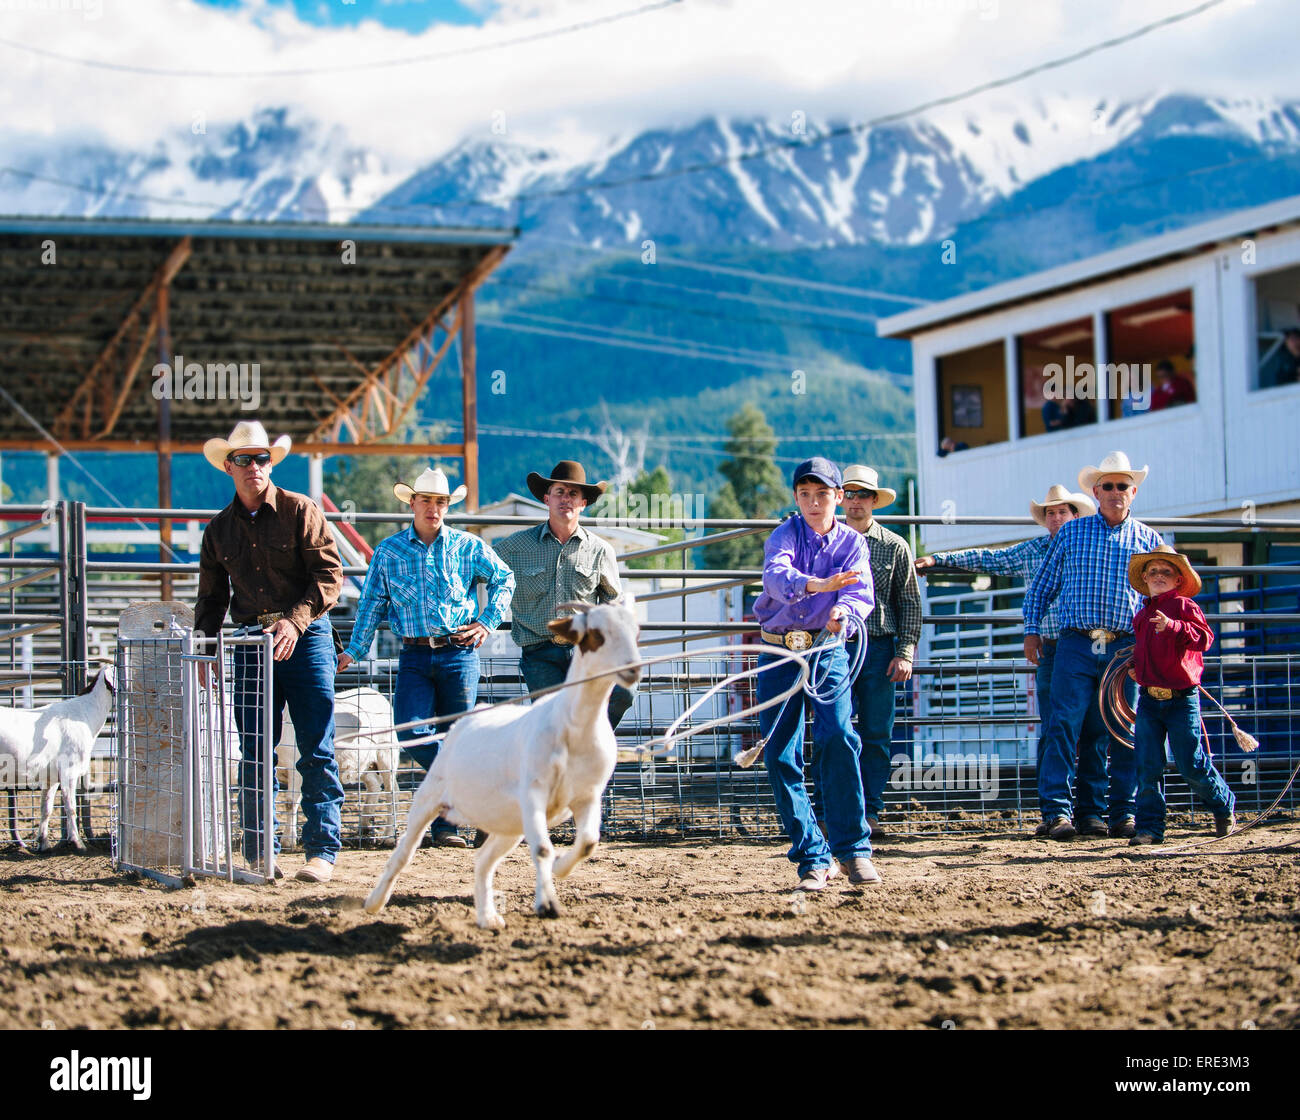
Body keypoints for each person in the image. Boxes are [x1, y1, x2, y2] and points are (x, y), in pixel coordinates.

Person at [194, 421, 345, 883]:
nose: (254, 467)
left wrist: (294, 621)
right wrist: (205, 648)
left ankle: (321, 851)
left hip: (307, 637)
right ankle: (261, 851)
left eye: (261, 458)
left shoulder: (301, 509)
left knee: (315, 745)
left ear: (270, 463)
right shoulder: (218, 531)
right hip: (251, 643)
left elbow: (329, 576)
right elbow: (211, 599)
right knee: (255, 750)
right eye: (244, 459)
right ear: (229, 466)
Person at [339, 467, 514, 848]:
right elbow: (371, 603)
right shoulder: (389, 551)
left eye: (441, 502)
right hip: (415, 654)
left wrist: (486, 622)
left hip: (459, 651)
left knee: (456, 736)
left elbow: (505, 579)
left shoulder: (467, 546)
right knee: (410, 731)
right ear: (412, 504)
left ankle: (447, 828)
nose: (433, 508)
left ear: (447, 506)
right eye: (427, 501)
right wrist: (354, 649)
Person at [916, 483, 1098, 836]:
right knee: (1057, 726)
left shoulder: (1086, 546)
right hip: (1054, 646)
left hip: (1083, 643)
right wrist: (940, 559)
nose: (1056, 518)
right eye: (1051, 513)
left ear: (1075, 516)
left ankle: (1086, 810)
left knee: (1090, 728)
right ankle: (1057, 811)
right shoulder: (1034, 550)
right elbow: (989, 558)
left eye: (1062, 511)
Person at [1023, 451, 1164, 842]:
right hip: (1077, 641)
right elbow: (1041, 588)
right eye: (1109, 486)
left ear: (1133, 493)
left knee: (1119, 729)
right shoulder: (1072, 534)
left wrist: (1155, 644)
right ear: (1096, 492)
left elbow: (1161, 599)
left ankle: (1117, 813)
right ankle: (1058, 812)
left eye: (1123, 486)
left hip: (1124, 646)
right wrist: (1032, 630)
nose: (1116, 492)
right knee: (1064, 724)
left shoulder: (1149, 540)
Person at [753, 457, 878, 891]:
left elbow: (860, 593)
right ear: (796, 497)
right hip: (778, 650)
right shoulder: (784, 534)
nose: (813, 502)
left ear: (838, 497)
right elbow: (776, 576)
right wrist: (818, 585)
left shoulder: (853, 544)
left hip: (826, 649)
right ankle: (812, 856)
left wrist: (843, 611)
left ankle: (853, 849)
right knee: (779, 752)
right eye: (805, 494)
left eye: (822, 494)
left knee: (839, 736)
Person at [494, 460, 633, 727]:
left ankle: (589, 737)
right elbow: (480, 569)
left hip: (587, 649)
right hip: (539, 652)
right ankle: (576, 742)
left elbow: (612, 604)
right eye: (559, 492)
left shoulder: (600, 550)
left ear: (583, 503)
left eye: (573, 494)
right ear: (547, 499)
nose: (566, 499)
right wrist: (479, 618)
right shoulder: (514, 547)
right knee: (554, 721)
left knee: (623, 693)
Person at [1126, 546, 1233, 845]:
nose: (1159, 576)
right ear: (1145, 578)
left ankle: (1222, 803)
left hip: (1181, 699)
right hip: (1149, 699)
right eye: (1153, 572)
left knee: (1190, 763)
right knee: (1147, 765)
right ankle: (1149, 828)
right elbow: (1145, 651)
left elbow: (1205, 639)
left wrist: (1173, 626)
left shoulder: (1185, 606)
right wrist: (1136, 668)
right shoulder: (1142, 615)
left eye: (1166, 572)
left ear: (1177, 580)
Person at [839, 465, 920, 835]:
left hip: (879, 648)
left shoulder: (894, 545)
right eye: (850, 494)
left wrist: (905, 651)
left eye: (862, 495)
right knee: (833, 730)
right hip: (836, 645)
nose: (856, 501)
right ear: (842, 499)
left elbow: (909, 602)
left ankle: (869, 809)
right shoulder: (827, 541)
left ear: (874, 500)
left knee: (875, 733)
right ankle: (833, 808)